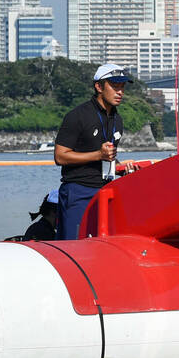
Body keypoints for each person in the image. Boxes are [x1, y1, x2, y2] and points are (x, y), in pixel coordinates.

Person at [54, 63, 128, 241]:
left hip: (107, 191)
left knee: (104, 246)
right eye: (115, 86)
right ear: (99, 87)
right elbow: (60, 156)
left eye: (122, 87)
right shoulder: (77, 115)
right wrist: (98, 155)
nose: (120, 92)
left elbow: (107, 156)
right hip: (79, 190)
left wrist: (121, 167)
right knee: (74, 247)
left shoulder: (117, 119)